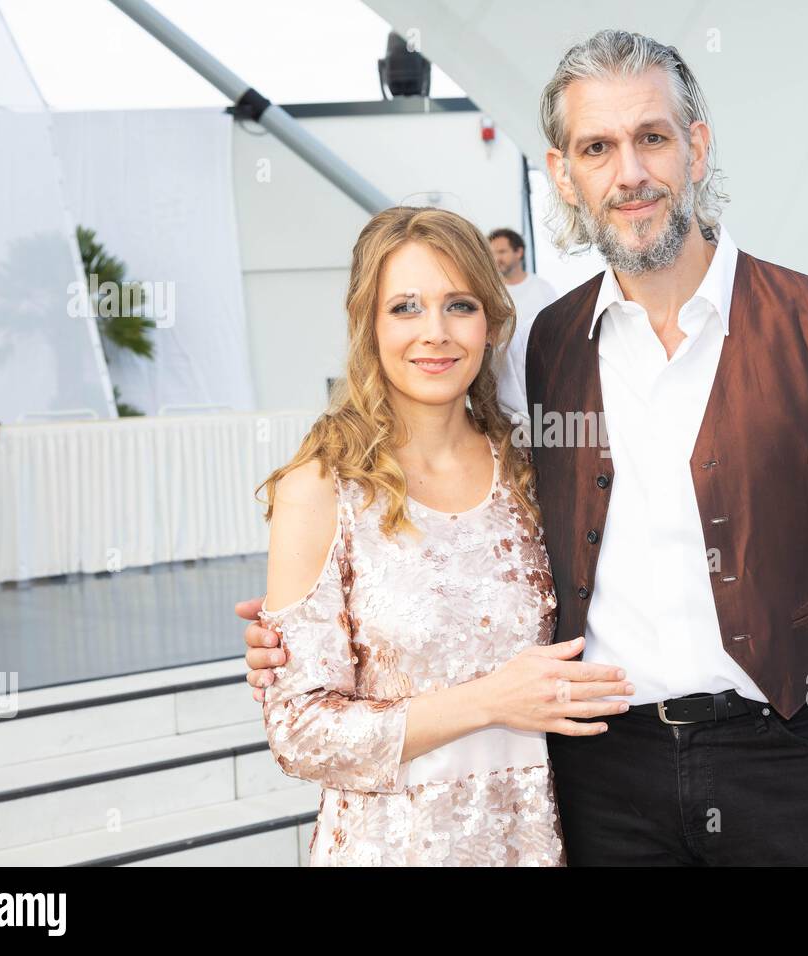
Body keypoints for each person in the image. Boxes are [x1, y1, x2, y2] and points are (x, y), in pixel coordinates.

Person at [244, 29, 808, 866]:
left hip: (791, 768)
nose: (630, 174)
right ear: (564, 174)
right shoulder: (537, 351)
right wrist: (296, 627)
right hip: (600, 786)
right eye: (598, 147)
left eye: (652, 138)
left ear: (695, 146)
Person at [249, 205, 631, 865]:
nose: (436, 333)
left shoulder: (536, 473)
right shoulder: (322, 486)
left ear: (491, 321)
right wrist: (489, 701)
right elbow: (299, 732)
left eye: (459, 305)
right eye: (405, 307)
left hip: (534, 844)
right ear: (367, 322)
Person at [487, 228, 557, 417]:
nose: (496, 258)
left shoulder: (543, 290)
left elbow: (557, 337)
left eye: (501, 252)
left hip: (538, 383)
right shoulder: (489, 293)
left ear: (519, 252)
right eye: (491, 253)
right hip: (497, 388)